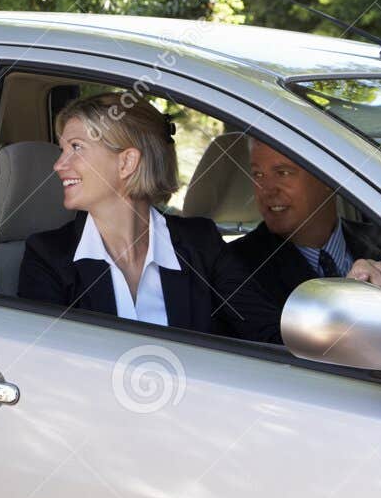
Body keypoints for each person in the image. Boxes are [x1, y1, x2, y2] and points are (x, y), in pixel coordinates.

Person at [18, 93, 279, 340]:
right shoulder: (48, 256)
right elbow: (44, 361)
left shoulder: (202, 244)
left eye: (76, 147)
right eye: (62, 150)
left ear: (127, 162)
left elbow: (269, 336)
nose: (59, 165)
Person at [228, 138, 381, 299]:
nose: (266, 190)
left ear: (327, 176)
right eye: (258, 174)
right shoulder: (236, 267)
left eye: (283, 173)